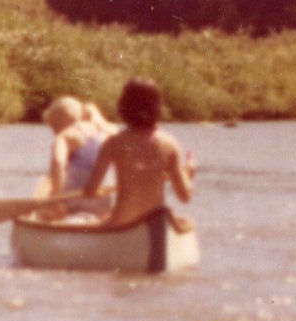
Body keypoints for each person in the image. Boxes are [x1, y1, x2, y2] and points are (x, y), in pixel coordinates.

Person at [81, 77, 194, 229]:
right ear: (157, 107)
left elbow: (89, 192)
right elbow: (184, 197)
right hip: (154, 225)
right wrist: (188, 174)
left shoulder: (113, 143)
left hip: (121, 223)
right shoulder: (169, 144)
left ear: (124, 106)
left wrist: (98, 191)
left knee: (94, 221)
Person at [43, 95, 116, 202]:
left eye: (54, 129)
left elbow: (58, 163)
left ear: (58, 124)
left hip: (76, 202)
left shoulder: (63, 137)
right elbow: (112, 129)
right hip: (107, 202)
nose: (55, 134)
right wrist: (95, 115)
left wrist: (55, 198)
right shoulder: (106, 132)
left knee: (45, 185)